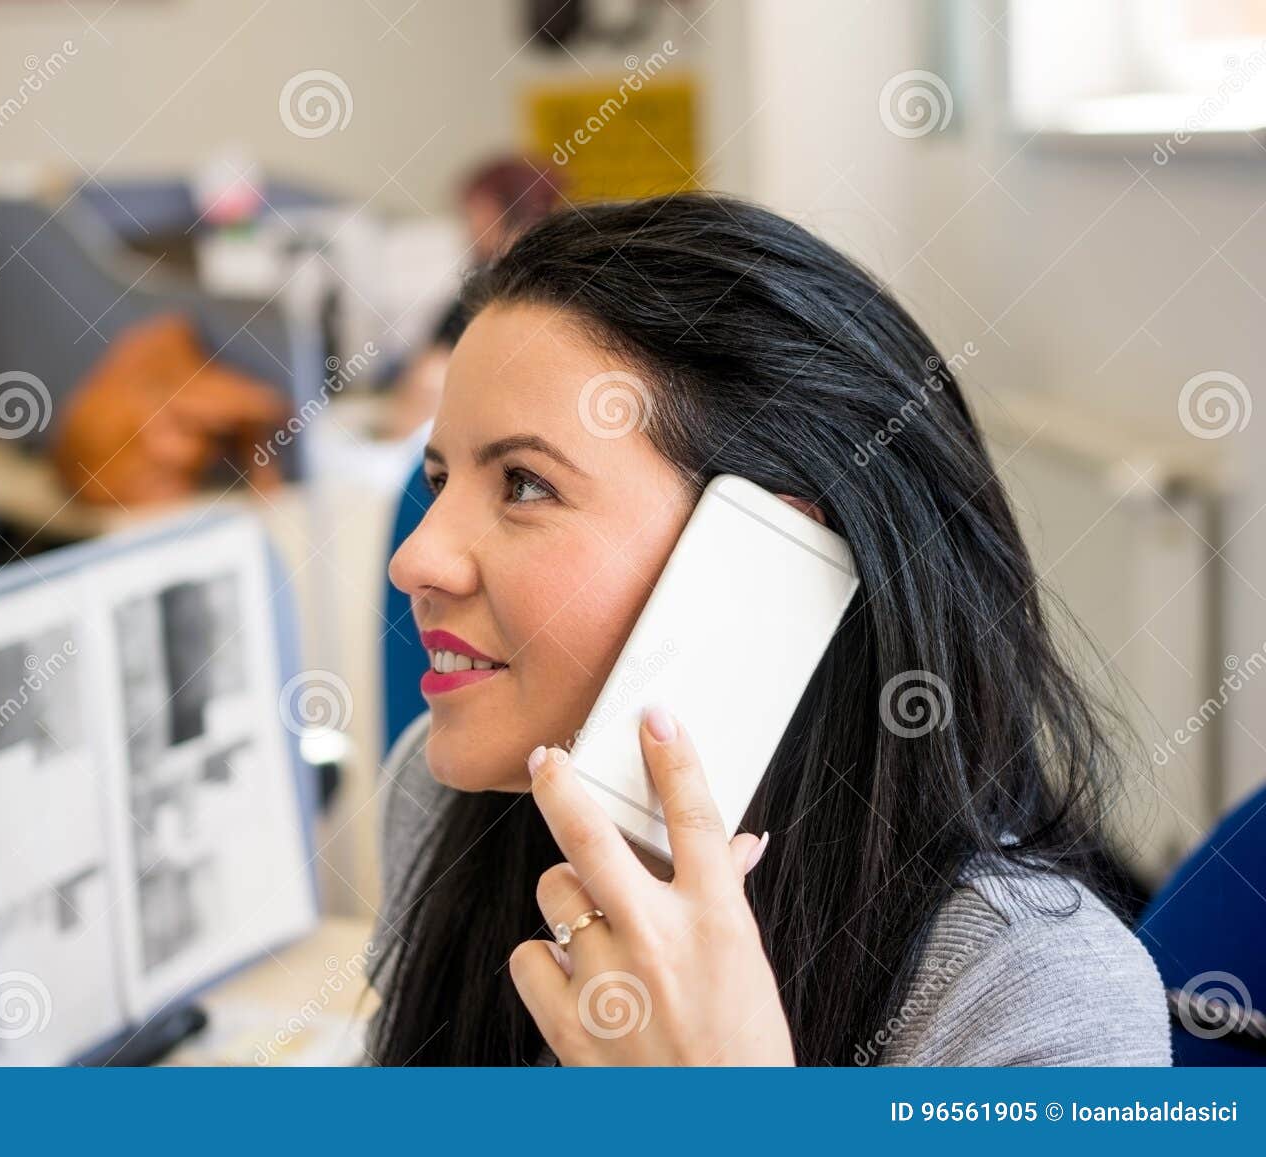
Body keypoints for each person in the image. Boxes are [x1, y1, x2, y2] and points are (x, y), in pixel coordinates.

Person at [367, 193, 1172, 1067]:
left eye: (525, 484)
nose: (415, 558)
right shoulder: (432, 799)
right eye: (439, 479)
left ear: (772, 560)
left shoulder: (1036, 992)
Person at [381, 156, 564, 440]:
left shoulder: (491, 290)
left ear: (492, 212)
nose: (467, 230)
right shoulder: (560, 282)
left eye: (470, 215)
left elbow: (430, 376)